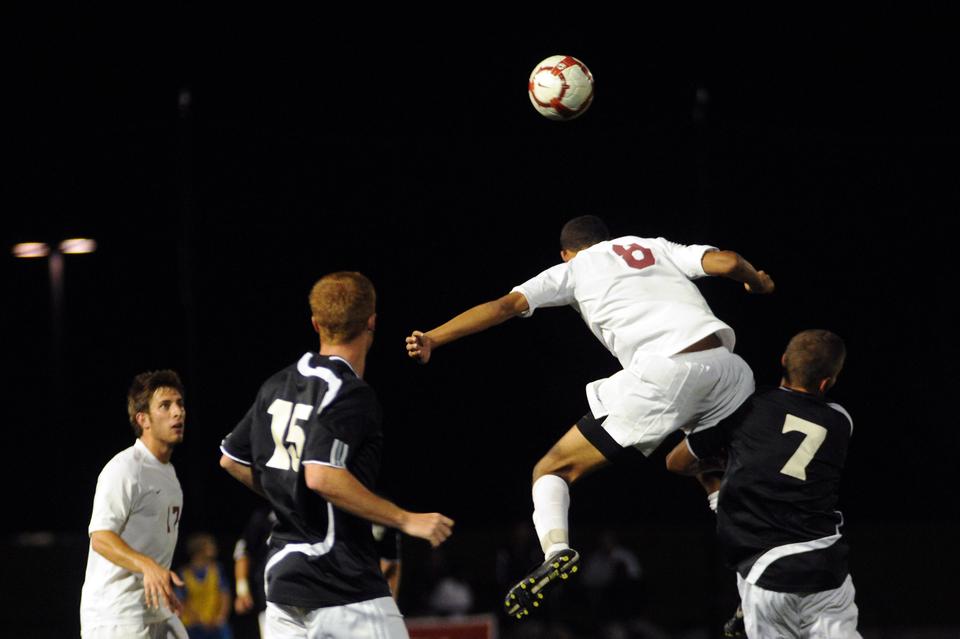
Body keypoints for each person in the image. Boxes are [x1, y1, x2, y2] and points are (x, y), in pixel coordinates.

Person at [405, 215, 774, 618]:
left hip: (665, 373)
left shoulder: (574, 269)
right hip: (729, 370)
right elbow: (727, 261)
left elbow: (504, 306)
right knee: (713, 475)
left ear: (566, 253)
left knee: (551, 470)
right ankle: (755, 590)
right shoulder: (651, 246)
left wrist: (435, 337)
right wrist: (756, 281)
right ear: (607, 238)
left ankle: (556, 551)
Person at [219, 271, 455, 639]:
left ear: (316, 323)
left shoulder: (277, 383)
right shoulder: (350, 394)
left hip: (282, 586)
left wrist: (290, 498)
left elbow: (232, 460)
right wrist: (404, 519)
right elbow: (321, 476)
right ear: (372, 321)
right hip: (341, 581)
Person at [665, 329, 861, 638]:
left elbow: (676, 462)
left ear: (783, 360)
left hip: (768, 574)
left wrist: (717, 454)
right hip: (825, 566)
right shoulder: (840, 420)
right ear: (828, 383)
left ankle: (744, 601)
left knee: (717, 488)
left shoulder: (749, 406)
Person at [79, 370, 188, 639]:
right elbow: (101, 538)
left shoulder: (169, 474)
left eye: (180, 403)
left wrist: (161, 584)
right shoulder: (125, 469)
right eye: (165, 405)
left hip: (155, 611)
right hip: (115, 615)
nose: (178, 412)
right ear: (143, 419)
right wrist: (148, 566)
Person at [179, 533, 233, 639]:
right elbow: (181, 602)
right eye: (209, 546)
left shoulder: (216, 570)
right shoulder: (184, 574)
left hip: (215, 624)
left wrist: (221, 617)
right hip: (193, 625)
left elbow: (225, 596)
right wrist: (199, 620)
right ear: (199, 550)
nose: (214, 548)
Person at [233, 507, 276, 638]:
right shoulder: (264, 516)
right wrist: (242, 590)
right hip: (272, 598)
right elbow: (243, 551)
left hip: (320, 594)